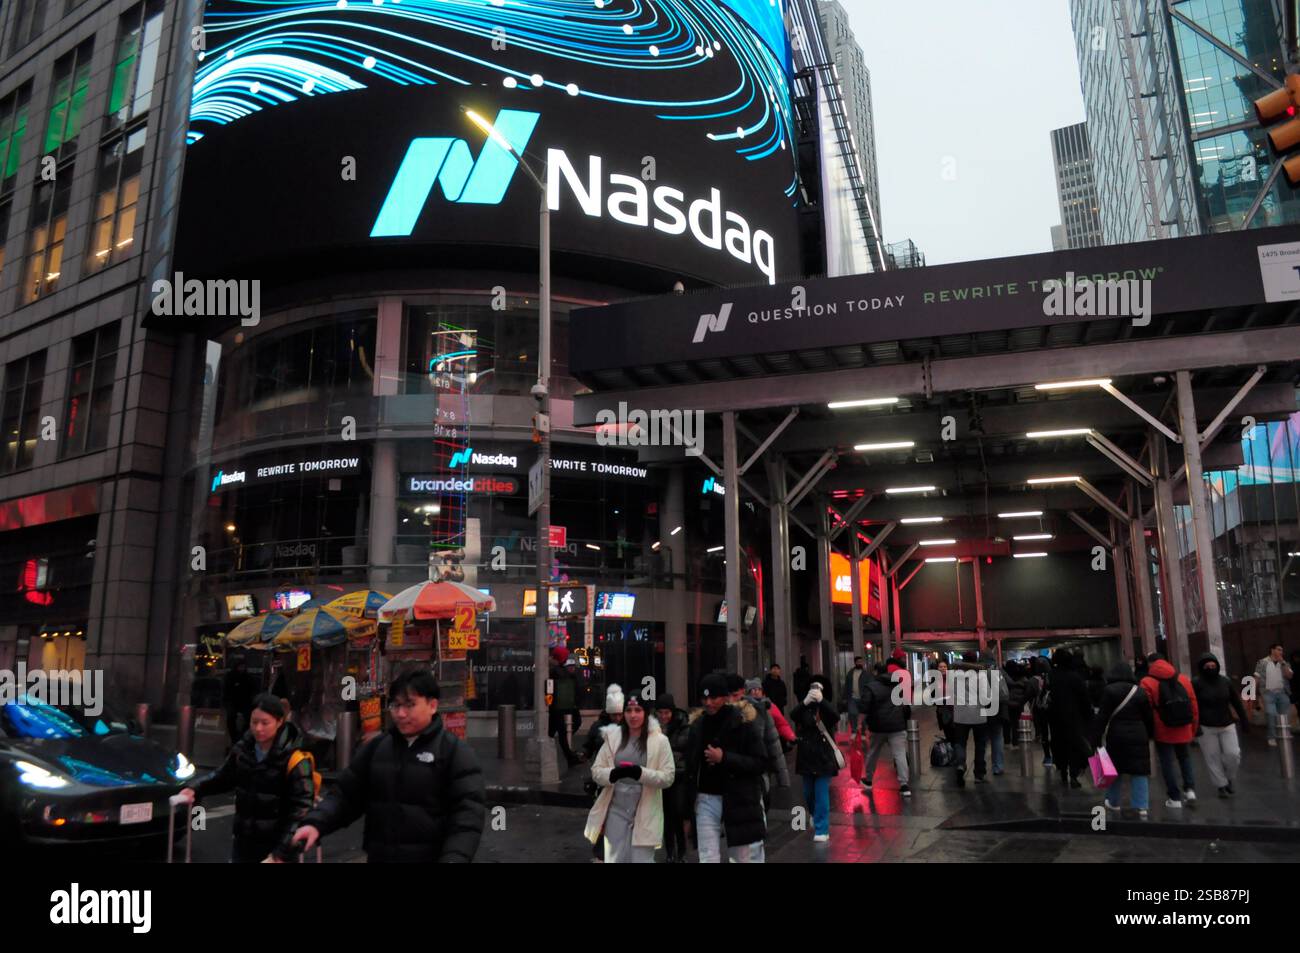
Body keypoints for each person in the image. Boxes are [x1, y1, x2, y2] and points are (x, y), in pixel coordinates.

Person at [291, 669, 485, 862]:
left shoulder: (454, 753)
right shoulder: (376, 749)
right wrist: (315, 823)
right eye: (396, 705)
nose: (400, 713)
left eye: (410, 705)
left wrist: (455, 858)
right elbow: (345, 796)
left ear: (432, 705)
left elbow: (467, 818)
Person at [180, 692, 315, 863]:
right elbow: (223, 776)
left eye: (265, 723)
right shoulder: (243, 749)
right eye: (254, 722)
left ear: (280, 722)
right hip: (243, 844)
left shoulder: (297, 760)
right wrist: (195, 788)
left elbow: (302, 810)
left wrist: (282, 854)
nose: (258, 728)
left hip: (276, 849)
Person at [684, 673, 769, 862]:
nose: (708, 703)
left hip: (738, 798)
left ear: (724, 697)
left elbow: (760, 762)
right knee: (707, 856)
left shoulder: (743, 723)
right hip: (705, 799)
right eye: (704, 698)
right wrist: (688, 809)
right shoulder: (697, 726)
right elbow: (690, 768)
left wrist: (725, 758)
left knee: (743, 856)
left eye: (713, 697)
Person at [584, 693, 675, 863]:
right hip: (616, 809)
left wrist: (640, 773)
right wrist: (613, 774)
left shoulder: (660, 741)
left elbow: (668, 777)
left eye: (638, 710)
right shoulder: (612, 737)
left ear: (646, 713)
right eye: (629, 710)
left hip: (646, 810)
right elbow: (596, 770)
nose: (633, 715)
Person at [1090, 661, 1154, 819]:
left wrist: (1096, 738)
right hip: (1139, 734)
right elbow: (1149, 717)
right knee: (1139, 771)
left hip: (1117, 735)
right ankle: (1141, 806)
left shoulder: (1109, 691)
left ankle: (1113, 802)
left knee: (1114, 770)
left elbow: (1102, 717)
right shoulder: (1139, 691)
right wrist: (1150, 734)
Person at [1139, 652, 1199, 808]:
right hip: (1184, 726)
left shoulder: (1146, 682)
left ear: (1150, 664)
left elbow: (1145, 708)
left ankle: (1175, 797)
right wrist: (1193, 728)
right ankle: (1190, 790)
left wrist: (1148, 731)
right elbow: (1193, 705)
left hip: (1162, 728)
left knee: (1166, 762)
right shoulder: (1183, 679)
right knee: (1184, 758)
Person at [790, 678, 841, 841]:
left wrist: (822, 701)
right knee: (808, 792)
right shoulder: (804, 708)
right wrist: (805, 702)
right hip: (806, 755)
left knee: (821, 793)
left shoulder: (826, 707)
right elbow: (793, 715)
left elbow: (835, 716)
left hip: (823, 756)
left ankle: (822, 829)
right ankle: (814, 813)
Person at [1192, 653, 1248, 797]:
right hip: (1206, 726)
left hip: (1227, 724)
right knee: (1212, 757)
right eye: (1207, 666)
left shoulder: (1225, 682)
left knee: (1233, 754)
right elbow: (1193, 706)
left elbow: (1235, 702)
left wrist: (1244, 719)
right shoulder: (1196, 683)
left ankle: (1229, 777)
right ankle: (1221, 785)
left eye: (1213, 665)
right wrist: (1195, 726)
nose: (1210, 668)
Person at [727, 673, 789, 796]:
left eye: (735, 695)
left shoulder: (761, 711)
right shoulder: (721, 715)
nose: (732, 700)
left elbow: (774, 744)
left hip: (757, 776)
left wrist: (783, 779)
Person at [861, 657, 911, 796]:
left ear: (876, 672)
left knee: (873, 753)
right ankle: (904, 785)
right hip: (897, 725)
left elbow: (864, 707)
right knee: (900, 754)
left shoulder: (871, 686)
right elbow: (906, 704)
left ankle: (869, 780)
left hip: (878, 726)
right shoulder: (898, 685)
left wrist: (860, 725)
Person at [1046, 649, 1092, 788]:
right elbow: (1084, 699)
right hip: (1073, 718)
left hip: (1055, 717)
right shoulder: (1075, 677)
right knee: (1074, 746)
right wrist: (1089, 716)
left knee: (1059, 744)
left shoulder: (1051, 676)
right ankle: (1074, 774)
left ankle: (1062, 770)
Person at [654, 694, 691, 862]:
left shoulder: (683, 725)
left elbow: (685, 750)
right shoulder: (653, 727)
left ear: (672, 711)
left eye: (666, 712)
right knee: (666, 816)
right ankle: (670, 852)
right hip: (661, 777)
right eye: (660, 713)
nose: (663, 717)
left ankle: (682, 851)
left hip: (678, 775)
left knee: (677, 812)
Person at [949, 653, 991, 786]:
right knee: (980, 745)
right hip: (978, 715)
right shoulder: (981, 675)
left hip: (960, 715)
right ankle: (979, 774)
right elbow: (986, 697)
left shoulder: (955, 675)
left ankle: (960, 764)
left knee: (960, 743)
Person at [1254, 643, 1293, 746]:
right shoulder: (1262, 662)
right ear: (1272, 650)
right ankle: (1272, 737)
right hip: (1268, 693)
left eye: (1282, 650)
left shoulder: (1284, 663)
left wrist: (1283, 663)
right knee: (1271, 714)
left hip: (1282, 692)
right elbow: (1257, 677)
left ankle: (1283, 735)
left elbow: (1289, 676)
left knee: (1284, 715)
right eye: (1279, 649)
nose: (1281, 652)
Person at [548, 648, 582, 767]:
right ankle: (569, 757)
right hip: (559, 707)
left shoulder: (556, 670)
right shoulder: (559, 672)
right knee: (560, 732)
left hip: (556, 707)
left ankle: (569, 757)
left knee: (555, 732)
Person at [582, 685, 626, 763]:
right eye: (614, 715)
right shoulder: (598, 726)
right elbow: (589, 746)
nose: (617, 718)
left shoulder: (628, 726)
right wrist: (585, 754)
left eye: (620, 714)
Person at [746, 678, 795, 748]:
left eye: (759, 689)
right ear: (748, 692)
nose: (756, 692)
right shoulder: (745, 707)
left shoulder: (770, 706)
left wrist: (790, 736)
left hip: (770, 745)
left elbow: (781, 724)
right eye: (753, 689)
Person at [221, 658, 258, 745]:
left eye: (243, 667)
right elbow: (227, 690)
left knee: (249, 717)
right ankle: (235, 738)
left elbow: (252, 689)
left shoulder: (247, 678)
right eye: (240, 666)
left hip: (245, 702)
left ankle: (242, 736)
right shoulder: (230, 677)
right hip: (233, 701)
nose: (242, 668)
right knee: (231, 717)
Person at [1030, 656, 1052, 766]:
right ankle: (1058, 756)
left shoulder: (1033, 680)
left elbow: (1028, 695)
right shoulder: (1054, 677)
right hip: (1053, 708)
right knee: (1055, 732)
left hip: (1040, 709)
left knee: (1044, 733)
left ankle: (1047, 757)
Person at [843, 657, 868, 736]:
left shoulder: (866, 674)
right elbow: (846, 685)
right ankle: (854, 730)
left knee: (863, 716)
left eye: (861, 661)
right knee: (852, 714)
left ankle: (863, 731)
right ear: (855, 663)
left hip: (863, 698)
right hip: (852, 697)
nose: (860, 663)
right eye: (858, 662)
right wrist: (844, 697)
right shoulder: (850, 673)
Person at [935, 659, 956, 743]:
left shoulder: (952, 679)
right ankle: (950, 754)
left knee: (954, 736)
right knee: (948, 735)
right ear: (937, 668)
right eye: (940, 667)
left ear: (947, 668)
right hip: (942, 711)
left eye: (945, 666)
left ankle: (954, 753)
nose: (943, 668)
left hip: (952, 710)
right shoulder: (935, 680)